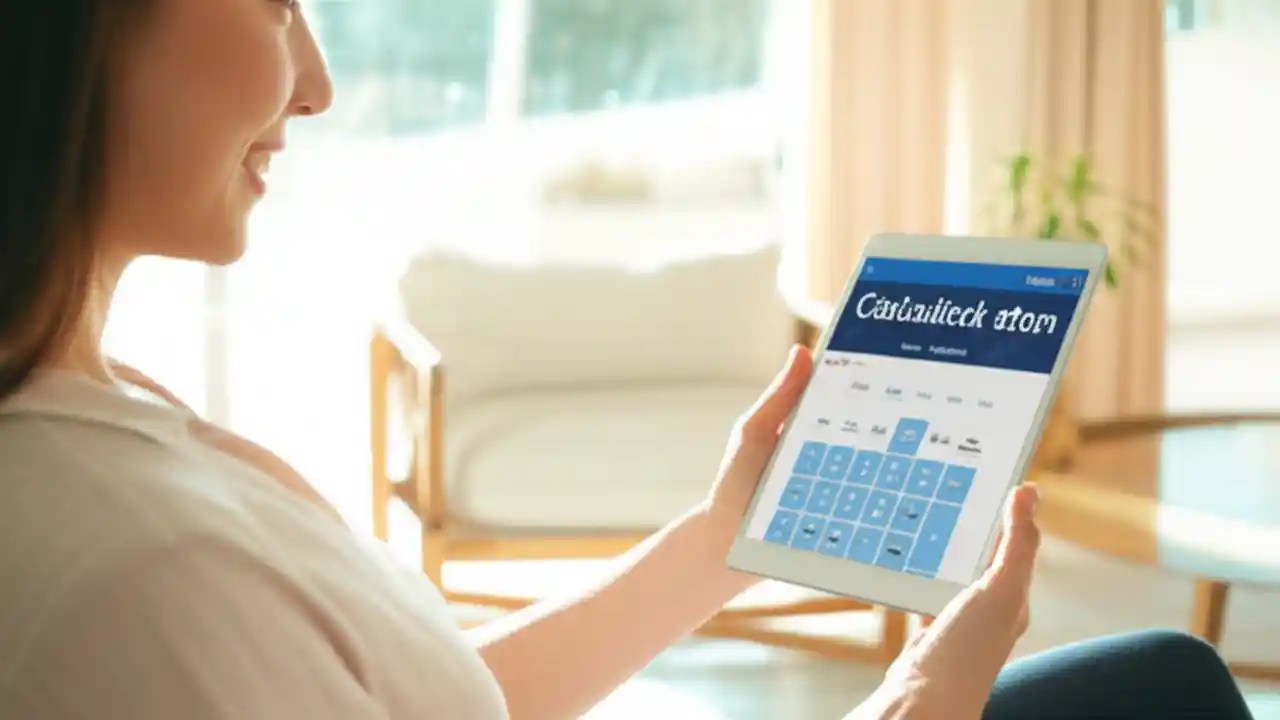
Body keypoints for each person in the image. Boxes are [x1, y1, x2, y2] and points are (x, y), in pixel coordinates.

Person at [0, 3, 1255, 719]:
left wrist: (717, 541)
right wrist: (912, 700)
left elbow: (437, 699)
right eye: (274, 3)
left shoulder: (99, 416)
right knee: (1158, 694)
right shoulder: (145, 576)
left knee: (1150, 679)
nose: (315, 82)